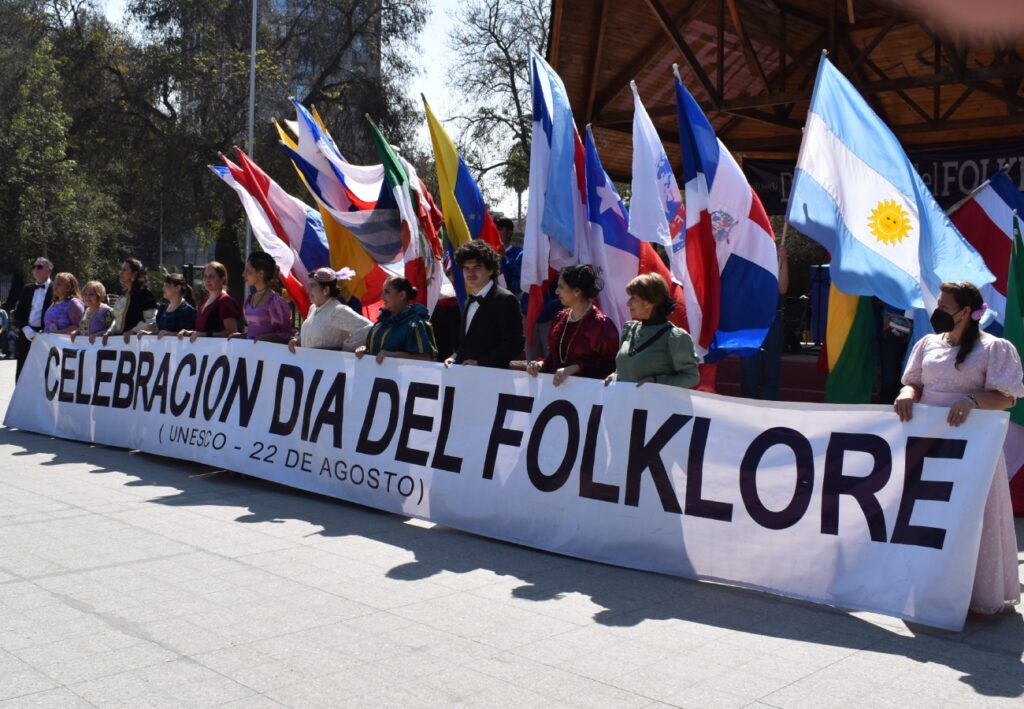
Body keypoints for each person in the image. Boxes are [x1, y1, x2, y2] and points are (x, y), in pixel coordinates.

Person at [894, 281, 1024, 615]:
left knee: (969, 516)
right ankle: (925, 587)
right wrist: (907, 394)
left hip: (972, 451)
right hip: (928, 448)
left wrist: (972, 400)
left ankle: (973, 595)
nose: (937, 310)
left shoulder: (995, 348)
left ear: (966, 311)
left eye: (945, 305)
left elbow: (1007, 397)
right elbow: (913, 382)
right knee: (927, 515)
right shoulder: (926, 343)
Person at [526, 265, 619, 385]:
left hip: (587, 395)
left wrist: (577, 368)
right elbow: (554, 358)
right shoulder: (560, 318)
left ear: (577, 291)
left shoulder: (601, 325)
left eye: (561, 287)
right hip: (557, 392)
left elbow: (609, 366)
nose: (556, 291)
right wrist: (540, 364)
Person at [605, 273, 699, 389]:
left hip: (657, 406)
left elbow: (691, 377)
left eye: (633, 298)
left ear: (649, 302)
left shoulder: (675, 337)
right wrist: (616, 376)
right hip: (626, 404)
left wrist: (657, 381)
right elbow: (625, 368)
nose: (628, 303)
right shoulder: (629, 330)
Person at [445, 240, 524, 369]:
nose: (470, 273)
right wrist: (453, 358)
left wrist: (480, 362)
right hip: (466, 379)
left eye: (477, 267)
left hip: (494, 379)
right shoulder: (468, 301)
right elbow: (466, 345)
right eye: (466, 268)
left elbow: (515, 344)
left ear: (491, 270)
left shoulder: (506, 299)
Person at [740, 243, 790, 400]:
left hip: (772, 323)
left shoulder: (774, 262)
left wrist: (783, 260)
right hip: (748, 324)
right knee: (749, 375)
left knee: (772, 373)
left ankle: (770, 410)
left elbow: (782, 288)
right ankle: (749, 410)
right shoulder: (743, 261)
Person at [288, 268, 372, 353]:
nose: (307, 290)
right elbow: (311, 333)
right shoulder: (313, 308)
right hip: (309, 364)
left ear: (326, 290)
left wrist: (344, 349)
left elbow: (367, 329)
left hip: (328, 365)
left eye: (312, 285)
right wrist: (297, 340)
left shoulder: (337, 310)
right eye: (308, 286)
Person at [355, 277, 437, 363]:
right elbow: (374, 350)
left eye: (387, 292)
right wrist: (364, 350)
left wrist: (394, 355)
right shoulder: (380, 323)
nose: (382, 297)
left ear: (402, 295)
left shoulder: (416, 324)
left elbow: (428, 359)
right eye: (383, 292)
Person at [232, 252, 293, 343]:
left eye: (248, 271)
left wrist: (267, 338)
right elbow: (253, 332)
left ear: (260, 274)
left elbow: (285, 333)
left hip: (267, 355)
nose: (243, 274)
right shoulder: (250, 299)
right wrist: (242, 335)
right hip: (251, 353)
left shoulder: (275, 301)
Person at [13, 257, 53, 380]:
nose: (36, 269)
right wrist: (25, 328)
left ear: (49, 270)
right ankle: (20, 398)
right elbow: (18, 313)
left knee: (43, 373)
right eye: (34, 267)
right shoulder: (27, 289)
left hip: (46, 336)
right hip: (26, 335)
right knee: (22, 371)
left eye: (39, 267)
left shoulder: (56, 289)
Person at [181, 262, 241, 341]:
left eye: (212, 276)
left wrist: (205, 334)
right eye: (205, 276)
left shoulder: (225, 301)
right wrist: (191, 333)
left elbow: (232, 333)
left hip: (219, 351)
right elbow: (202, 331)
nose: (207, 280)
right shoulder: (204, 301)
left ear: (222, 279)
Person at [108, 258, 157, 342]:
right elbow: (116, 320)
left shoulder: (145, 294)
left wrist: (133, 331)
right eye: (121, 269)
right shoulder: (123, 295)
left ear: (134, 274)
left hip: (137, 343)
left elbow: (151, 321)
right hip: (119, 342)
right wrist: (109, 331)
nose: (120, 273)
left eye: (124, 270)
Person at [153, 274, 197, 338]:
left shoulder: (187, 311)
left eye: (167, 286)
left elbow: (189, 335)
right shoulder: (162, 309)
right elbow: (159, 333)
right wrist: (148, 334)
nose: (163, 288)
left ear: (178, 288)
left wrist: (170, 334)